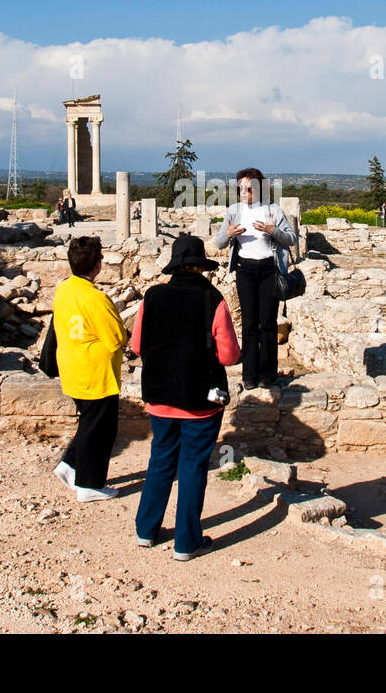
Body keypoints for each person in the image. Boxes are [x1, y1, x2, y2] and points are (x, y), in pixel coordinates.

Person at [131, 234, 240, 560]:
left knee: (161, 460)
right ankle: (186, 542)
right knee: (192, 466)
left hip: (160, 396)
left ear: (176, 266)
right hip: (200, 401)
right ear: (199, 267)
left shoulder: (152, 297)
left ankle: (146, 530)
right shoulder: (212, 299)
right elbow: (229, 356)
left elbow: (137, 346)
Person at [50, 235, 128, 501]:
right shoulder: (96, 298)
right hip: (96, 374)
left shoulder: (64, 288)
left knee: (89, 423)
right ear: (96, 264)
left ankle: (69, 465)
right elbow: (116, 338)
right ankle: (89, 484)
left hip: (72, 367)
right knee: (101, 430)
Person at [212, 167, 296, 390]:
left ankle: (267, 374)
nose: (243, 192)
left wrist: (273, 230)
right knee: (249, 323)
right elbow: (219, 243)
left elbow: (291, 238)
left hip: (269, 269)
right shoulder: (234, 211)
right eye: (240, 187)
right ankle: (249, 375)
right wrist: (228, 234)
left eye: (248, 188)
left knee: (268, 323)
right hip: (245, 270)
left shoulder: (273, 210)